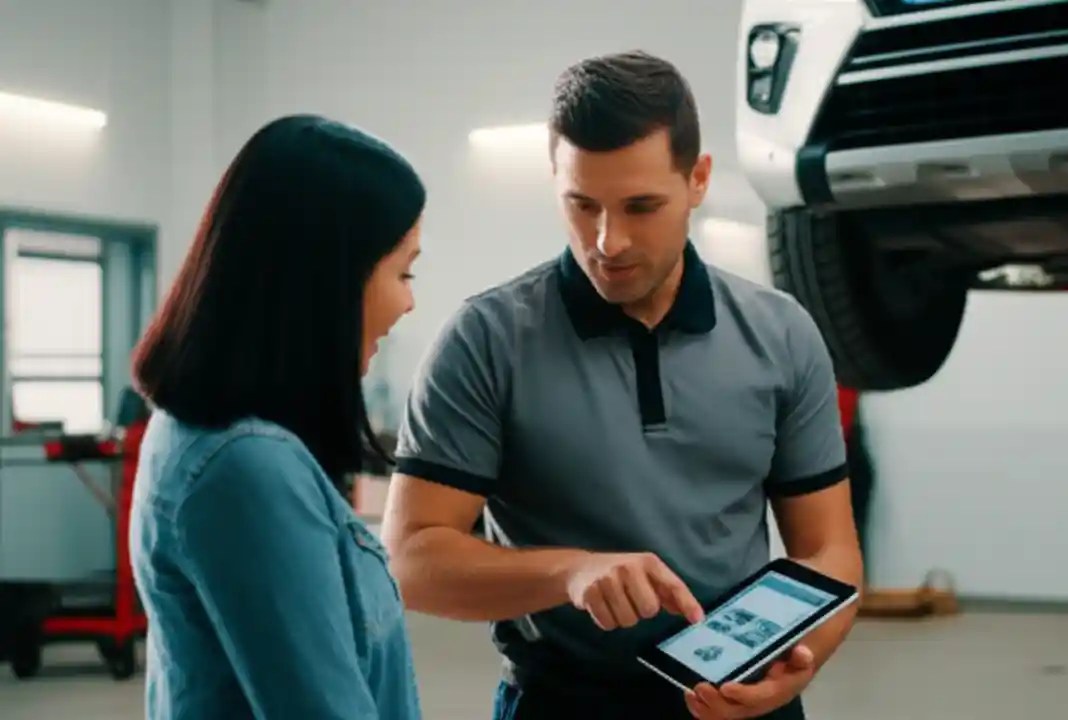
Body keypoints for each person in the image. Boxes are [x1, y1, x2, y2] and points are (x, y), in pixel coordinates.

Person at [382, 50, 862, 720]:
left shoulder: (783, 336)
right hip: (559, 704)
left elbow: (829, 549)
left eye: (641, 207)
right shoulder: (485, 341)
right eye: (582, 204)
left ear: (697, 180)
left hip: (747, 706)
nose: (608, 241)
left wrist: (794, 664)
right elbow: (410, 559)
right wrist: (569, 573)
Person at [128, 114, 425, 720]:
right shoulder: (246, 467)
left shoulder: (196, 428)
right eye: (403, 271)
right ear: (326, 281)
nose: (408, 302)